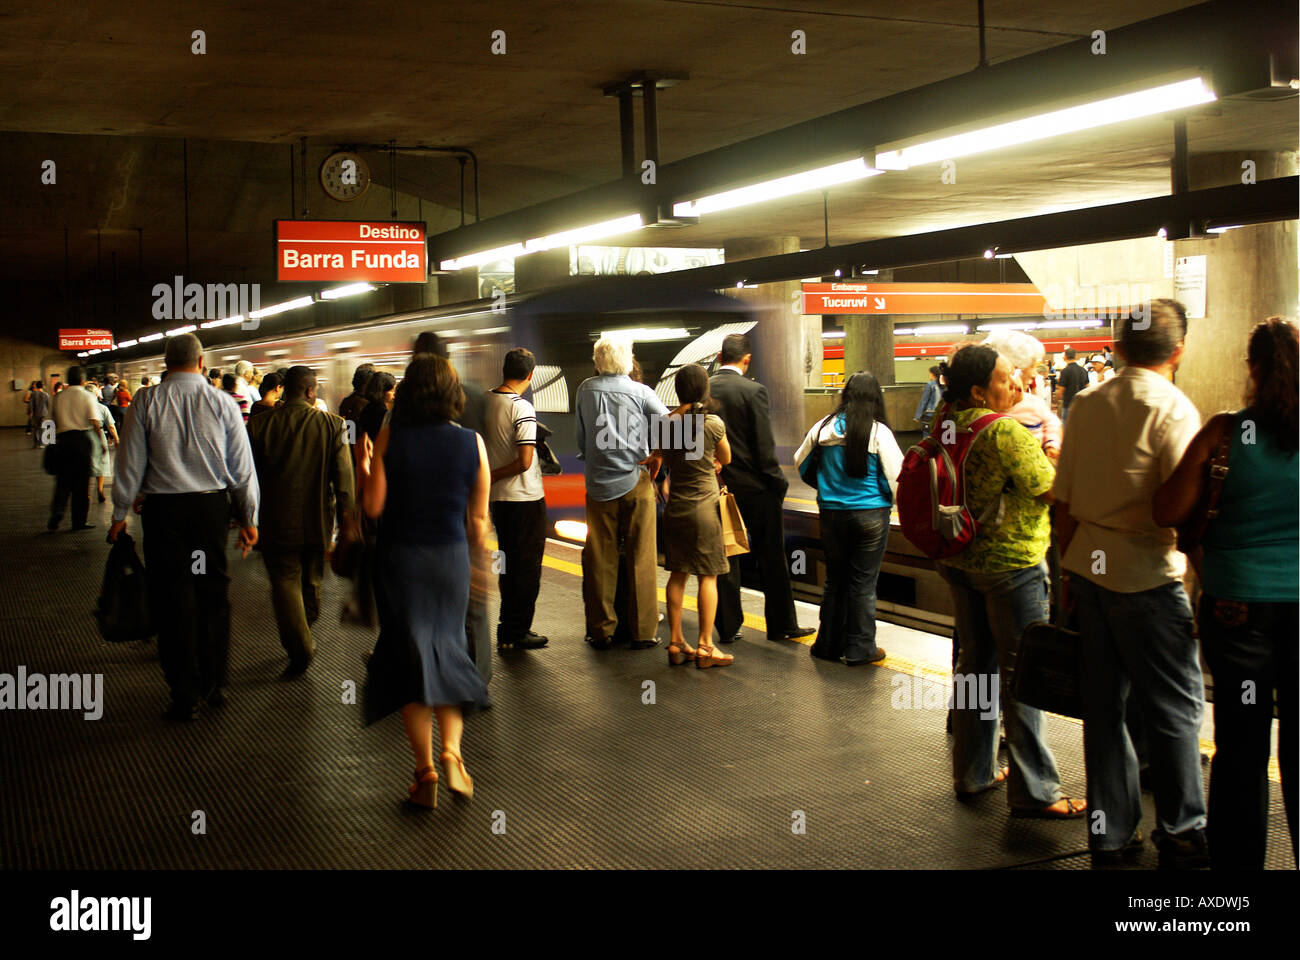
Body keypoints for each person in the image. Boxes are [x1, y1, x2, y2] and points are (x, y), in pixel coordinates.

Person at [1053, 299, 1206, 868]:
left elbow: (1061, 502)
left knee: (1104, 710)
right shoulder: (1174, 409)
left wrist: (1070, 570)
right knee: (1175, 709)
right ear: (1178, 349)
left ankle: (1110, 835)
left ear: (1116, 347)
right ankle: (1182, 829)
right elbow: (1178, 506)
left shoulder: (1087, 403)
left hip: (1089, 569)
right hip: (1147, 577)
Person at [1153, 317, 1298, 870]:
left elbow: (1166, 511)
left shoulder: (1228, 433)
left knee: (1242, 746)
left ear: (1253, 369)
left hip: (1238, 611)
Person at [934, 344, 1084, 820]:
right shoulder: (1004, 432)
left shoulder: (945, 421)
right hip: (1011, 566)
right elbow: (1051, 489)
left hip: (958, 559)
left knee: (975, 666)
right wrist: (1055, 449)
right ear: (980, 390)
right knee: (1024, 677)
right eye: (1004, 378)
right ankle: (1035, 792)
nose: (1014, 383)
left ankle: (973, 773)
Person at [108, 333, 259, 721]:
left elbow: (129, 462)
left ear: (165, 361)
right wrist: (248, 517)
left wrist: (120, 512)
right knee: (212, 594)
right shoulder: (223, 403)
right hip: (209, 512)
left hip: (165, 517)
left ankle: (184, 692)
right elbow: (242, 470)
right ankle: (215, 684)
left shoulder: (147, 400)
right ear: (201, 361)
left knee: (172, 599)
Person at [362, 353, 489, 808]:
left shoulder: (390, 436)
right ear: (452, 394)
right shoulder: (472, 443)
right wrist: (479, 568)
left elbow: (373, 507)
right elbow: (478, 519)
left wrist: (366, 466)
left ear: (409, 392)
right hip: (450, 560)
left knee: (407, 662)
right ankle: (453, 753)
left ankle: (425, 772)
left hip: (401, 560)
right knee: (449, 650)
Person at [247, 366, 356, 678]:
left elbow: (247, 477)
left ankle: (300, 644)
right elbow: (344, 480)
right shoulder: (333, 425)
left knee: (284, 582)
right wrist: (348, 519)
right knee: (311, 579)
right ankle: (304, 631)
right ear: (310, 392)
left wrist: (244, 517)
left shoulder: (259, 425)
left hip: (276, 521)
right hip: (318, 520)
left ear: (284, 390)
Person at [709, 333, 815, 645]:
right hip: (757, 488)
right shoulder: (753, 391)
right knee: (772, 557)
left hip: (719, 487)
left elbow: (688, 441)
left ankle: (728, 627)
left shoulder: (704, 390)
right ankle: (781, 625)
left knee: (727, 555)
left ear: (718, 356)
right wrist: (776, 482)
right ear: (747, 359)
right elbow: (763, 445)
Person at [795, 371, 902, 666]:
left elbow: (800, 461)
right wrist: (886, 499)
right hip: (870, 515)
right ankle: (860, 648)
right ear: (875, 398)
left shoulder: (823, 427)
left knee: (835, 580)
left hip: (831, 514)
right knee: (863, 583)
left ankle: (827, 644)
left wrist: (824, 485)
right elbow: (896, 477)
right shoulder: (879, 432)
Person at [575, 335, 667, 649]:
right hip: (636, 481)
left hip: (599, 484)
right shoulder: (641, 392)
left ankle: (601, 630)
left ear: (598, 361)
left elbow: (581, 438)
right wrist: (658, 454)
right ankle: (643, 632)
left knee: (600, 557)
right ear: (626, 360)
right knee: (641, 555)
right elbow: (678, 429)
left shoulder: (586, 389)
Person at [412, 332, 491, 686]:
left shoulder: (410, 401)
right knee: (473, 600)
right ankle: (476, 676)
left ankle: (432, 672)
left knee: (427, 601)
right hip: (468, 504)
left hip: (425, 515)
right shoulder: (476, 394)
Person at [661, 364, 733, 668]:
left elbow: (664, 460)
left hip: (675, 507)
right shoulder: (712, 422)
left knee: (678, 574)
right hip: (704, 507)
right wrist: (713, 462)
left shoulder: (665, 423)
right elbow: (726, 457)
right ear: (704, 389)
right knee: (708, 575)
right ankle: (705, 646)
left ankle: (676, 642)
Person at [484, 348, 549, 652]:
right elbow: (524, 461)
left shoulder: (486, 400)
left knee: (507, 564)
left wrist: (488, 478)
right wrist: (494, 475)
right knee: (526, 568)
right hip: (524, 498)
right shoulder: (520, 407)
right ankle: (516, 631)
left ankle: (506, 626)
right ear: (530, 375)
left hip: (499, 501)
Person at [983, 330, 1062, 459]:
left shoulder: (1034, 403)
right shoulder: (983, 412)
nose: (1034, 374)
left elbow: (1052, 423)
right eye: (1030, 367)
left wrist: (1051, 443)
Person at [47, 365, 107, 532]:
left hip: (63, 441)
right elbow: (95, 422)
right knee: (81, 484)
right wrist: (102, 443)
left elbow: (50, 422)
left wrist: (50, 442)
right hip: (82, 441)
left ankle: (57, 512)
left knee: (63, 481)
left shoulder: (59, 397)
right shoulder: (87, 396)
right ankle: (78, 521)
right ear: (82, 380)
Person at [88, 384, 119, 504]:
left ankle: (87, 494)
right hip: (99, 436)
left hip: (84, 436)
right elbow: (111, 425)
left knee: (87, 465)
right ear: (96, 394)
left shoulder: (80, 408)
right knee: (101, 464)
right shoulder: (102, 408)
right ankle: (100, 490)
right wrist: (116, 439)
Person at [358, 371, 396, 443]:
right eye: (392, 390)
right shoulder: (383, 413)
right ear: (382, 391)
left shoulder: (367, 408)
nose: (394, 394)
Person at [1054, 347, 1089, 420]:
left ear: (1065, 357)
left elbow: (1060, 390)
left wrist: (1056, 401)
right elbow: (1088, 387)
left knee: (1068, 428)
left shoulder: (1065, 371)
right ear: (1075, 356)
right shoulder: (1083, 370)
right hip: (1081, 405)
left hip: (1068, 405)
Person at [28, 381, 50, 448]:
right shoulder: (46, 394)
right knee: (42, 429)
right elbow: (48, 404)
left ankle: (35, 443)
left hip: (36, 413)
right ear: (42, 386)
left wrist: (31, 412)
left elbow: (31, 404)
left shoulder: (33, 394)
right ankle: (41, 444)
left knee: (36, 429)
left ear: (36, 386)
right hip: (44, 413)